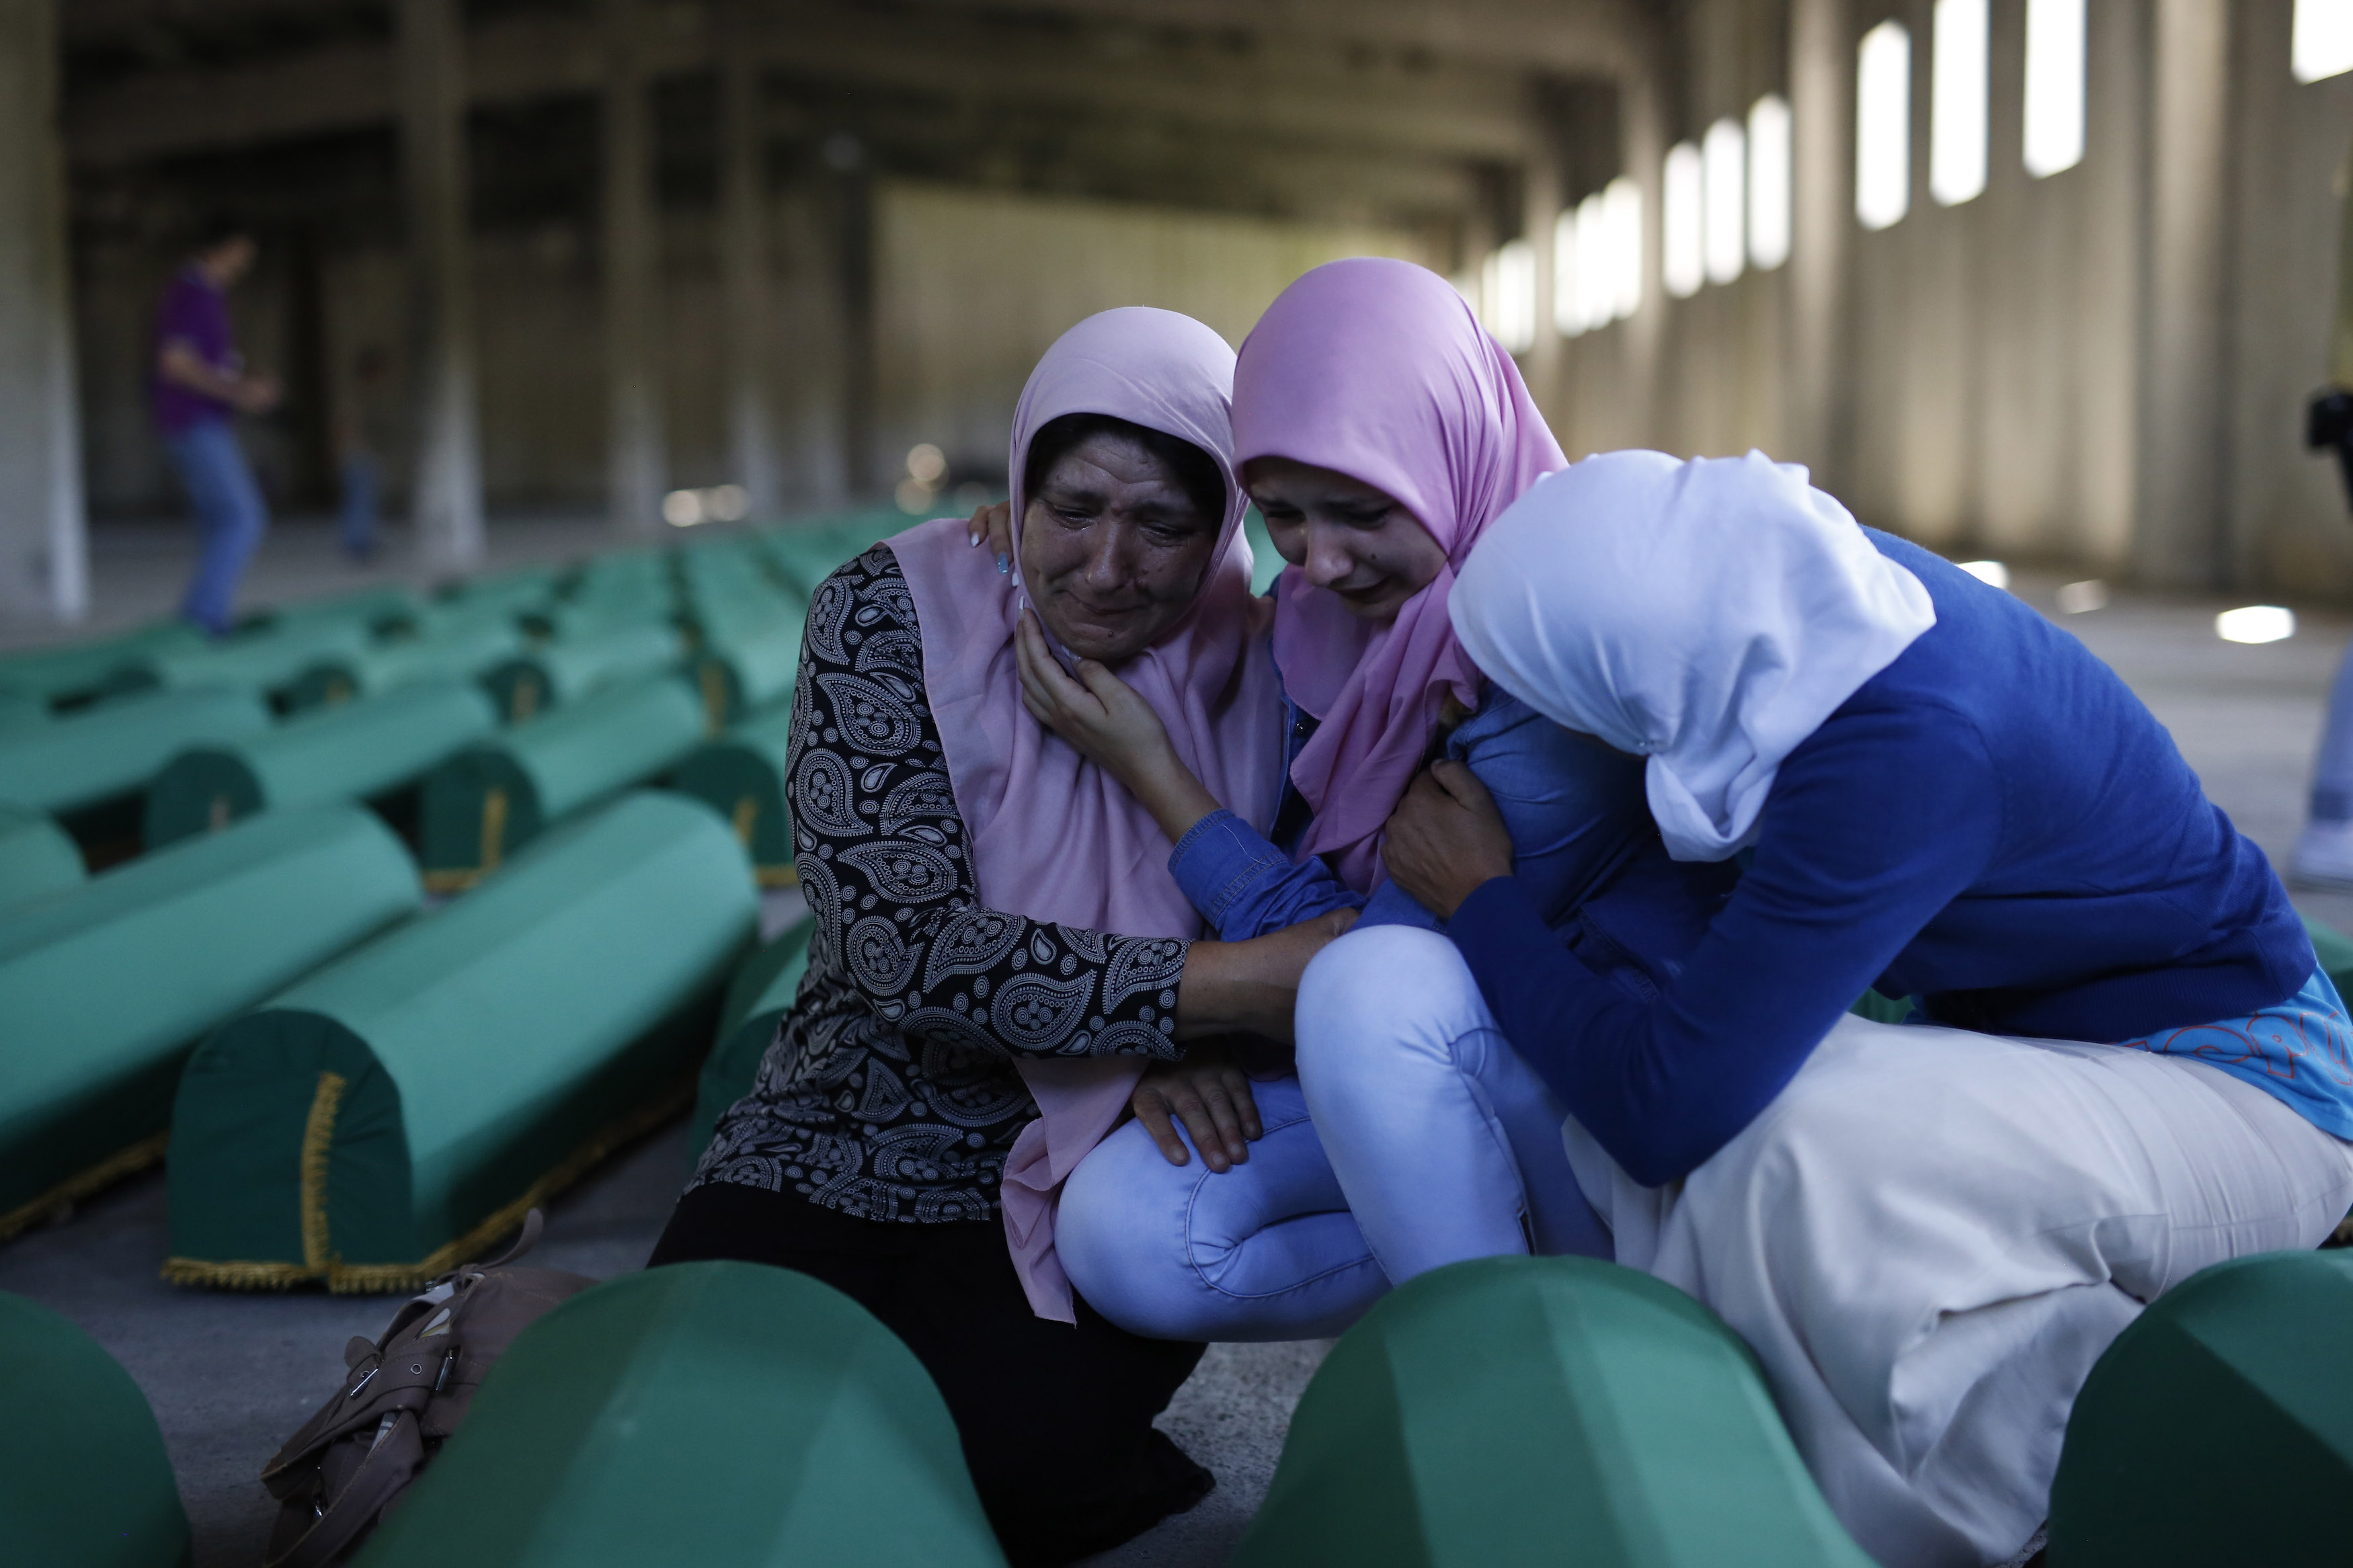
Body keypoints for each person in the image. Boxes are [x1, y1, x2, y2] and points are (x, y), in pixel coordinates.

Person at [1340, 448, 2353, 1567]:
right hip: (2062, 1049)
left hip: (2248, 1089)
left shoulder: (1898, 743)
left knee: (1775, 1141)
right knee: (1758, 1128)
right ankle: (2005, 1434)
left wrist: (1482, 902)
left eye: (1553, 693)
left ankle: (1997, 1512)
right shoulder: (1791, 605)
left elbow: (1665, 1106)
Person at [648, 307, 1350, 1568]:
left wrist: (1189, 1042)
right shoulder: (889, 617)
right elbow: (902, 950)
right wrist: (1196, 1002)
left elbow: (1326, 926)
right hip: (856, 1113)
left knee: (1011, 1472)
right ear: (1019, 481)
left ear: (1227, 523)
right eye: (1070, 506)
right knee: (699, 1410)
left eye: (1164, 523)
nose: (1108, 564)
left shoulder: (1280, 667)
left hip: (1131, 1142)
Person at [997, 259, 1724, 1340]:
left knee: (1380, 986)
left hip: (1588, 1086)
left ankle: (1521, 1348)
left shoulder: (1540, 657)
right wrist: (1008, 529)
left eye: (1359, 509)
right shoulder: (1314, 618)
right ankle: (1477, 1246)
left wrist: (1158, 778)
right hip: (1394, 1059)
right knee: (1123, 1230)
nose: (1321, 561)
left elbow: (1347, 967)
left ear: (1447, 452)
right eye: (1282, 514)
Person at [153, 217, 280, 635]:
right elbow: (176, 365)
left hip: (202, 420)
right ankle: (202, 619)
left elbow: (204, 364)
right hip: (193, 421)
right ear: (217, 247)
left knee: (218, 521)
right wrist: (239, 393)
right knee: (245, 518)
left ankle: (209, 614)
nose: (244, 263)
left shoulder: (209, 294)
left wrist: (242, 385)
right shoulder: (192, 291)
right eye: (239, 252)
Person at [336, 344, 392, 564]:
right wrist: (345, 452)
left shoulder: (366, 393)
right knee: (358, 500)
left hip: (366, 453)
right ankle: (356, 544)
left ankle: (364, 540)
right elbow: (343, 426)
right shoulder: (353, 394)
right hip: (356, 454)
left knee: (366, 499)